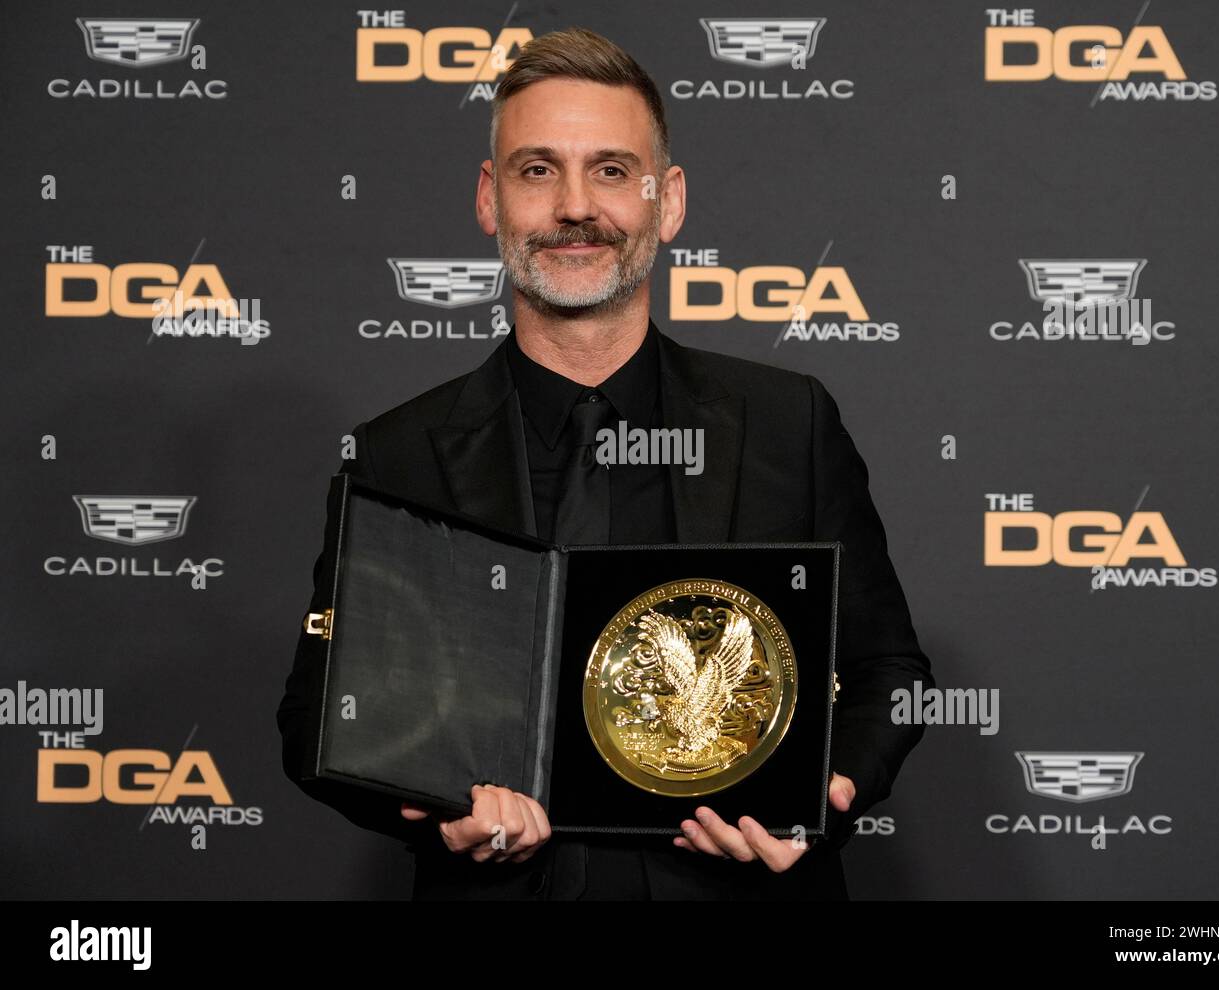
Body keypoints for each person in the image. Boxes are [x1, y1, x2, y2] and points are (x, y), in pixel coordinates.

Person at [277, 26, 933, 900]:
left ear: (669, 203)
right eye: (537, 169)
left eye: (613, 170)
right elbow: (314, 716)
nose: (575, 206)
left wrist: (826, 793)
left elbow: (891, 674)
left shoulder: (786, 422)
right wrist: (432, 808)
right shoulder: (397, 451)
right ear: (490, 199)